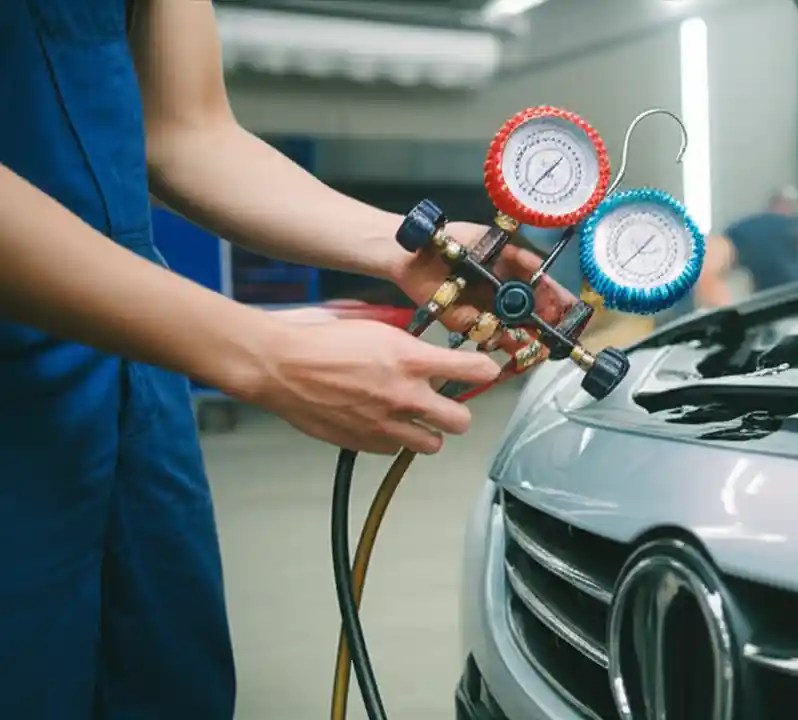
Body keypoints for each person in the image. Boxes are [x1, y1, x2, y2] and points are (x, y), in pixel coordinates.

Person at [0, 2, 573, 718]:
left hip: (131, 384)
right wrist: (258, 352)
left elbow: (189, 132)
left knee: (167, 681)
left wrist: (404, 249)